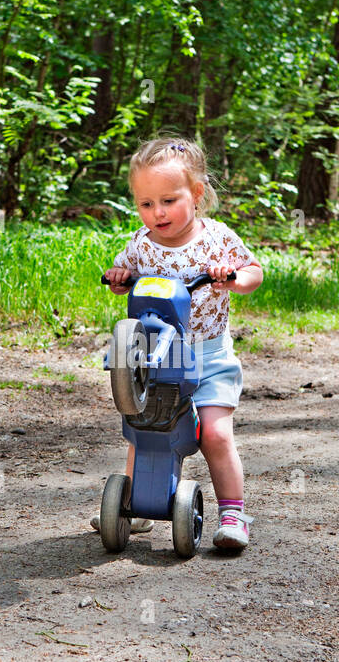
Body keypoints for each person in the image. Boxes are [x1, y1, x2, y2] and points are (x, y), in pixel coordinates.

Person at [92, 136, 263, 549]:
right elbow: (123, 272)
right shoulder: (141, 243)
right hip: (153, 364)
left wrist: (233, 278)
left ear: (197, 193)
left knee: (215, 436)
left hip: (208, 360)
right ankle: (135, 505)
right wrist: (118, 277)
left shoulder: (216, 238)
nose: (157, 212)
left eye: (168, 200)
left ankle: (233, 514)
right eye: (146, 203)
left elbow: (254, 270)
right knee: (143, 431)